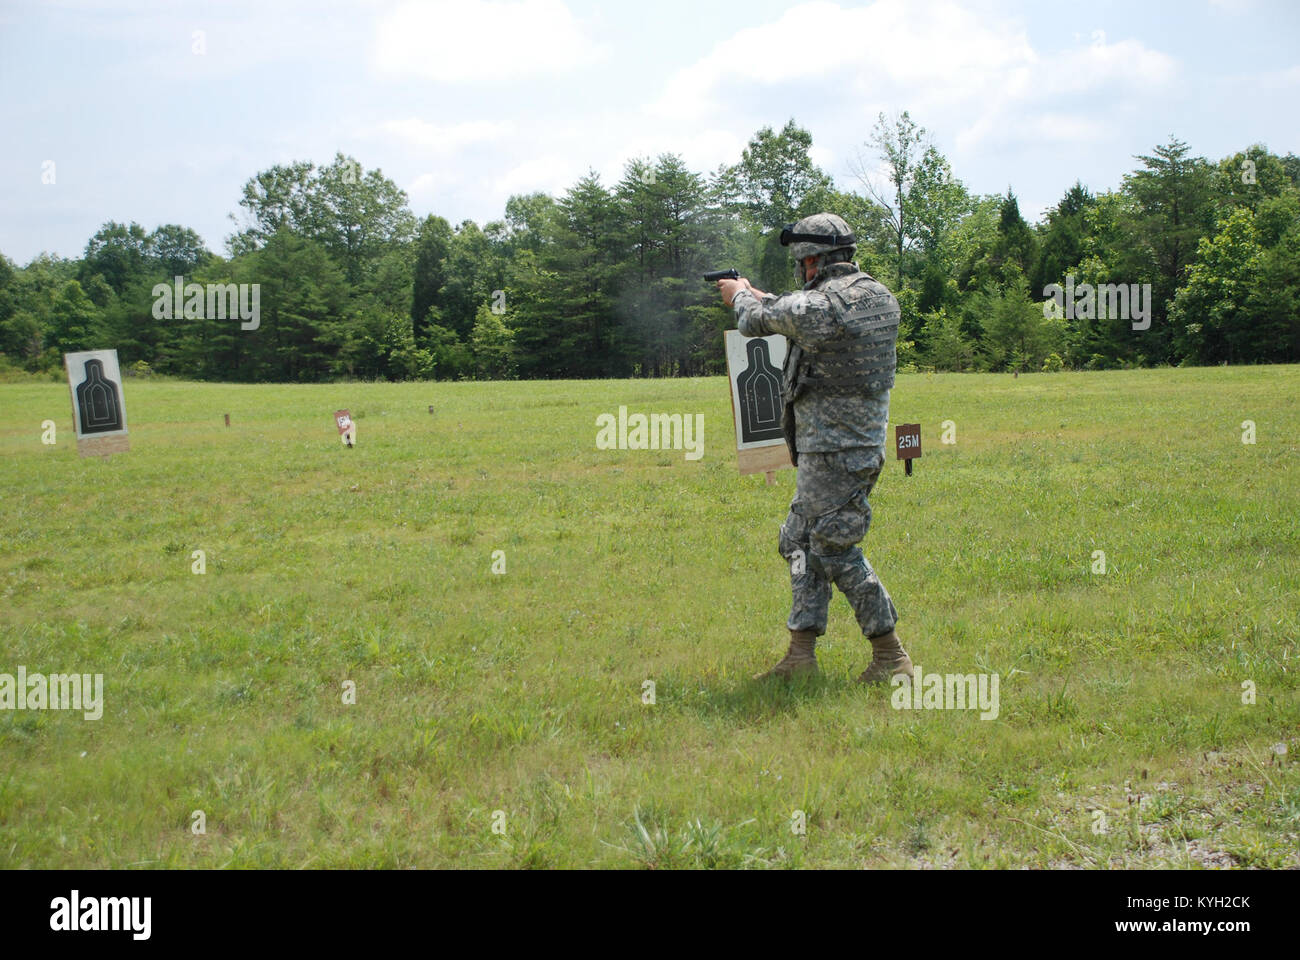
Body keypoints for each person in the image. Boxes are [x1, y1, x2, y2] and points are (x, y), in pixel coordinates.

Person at [717, 212, 914, 684]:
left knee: (834, 548)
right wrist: (770, 297)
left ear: (812, 261)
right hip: (852, 447)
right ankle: (800, 656)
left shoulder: (818, 307)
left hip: (833, 454)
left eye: (802, 261)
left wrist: (739, 294)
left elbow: (754, 319)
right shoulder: (878, 296)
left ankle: (892, 657)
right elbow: (805, 311)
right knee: (798, 541)